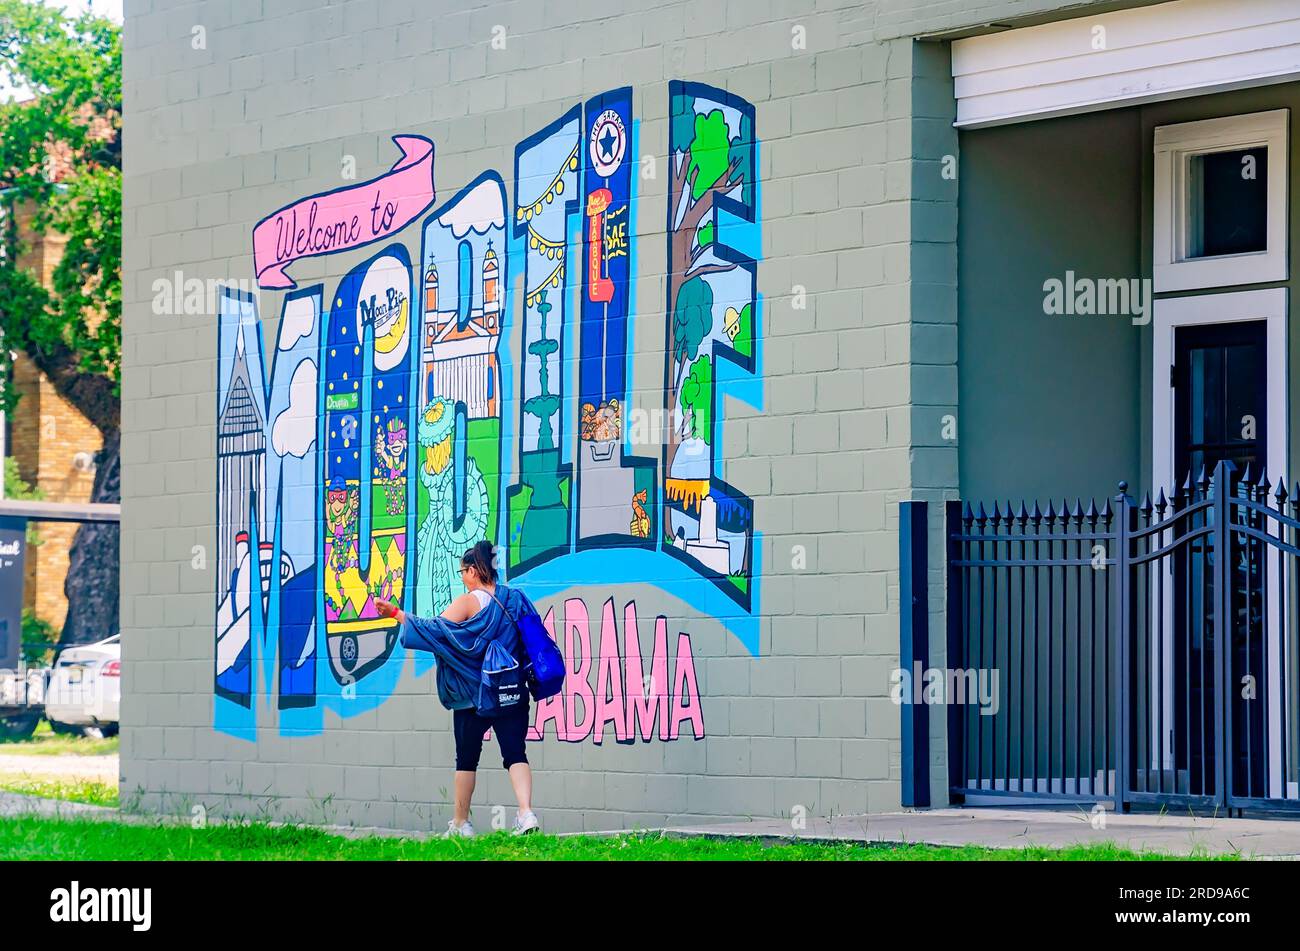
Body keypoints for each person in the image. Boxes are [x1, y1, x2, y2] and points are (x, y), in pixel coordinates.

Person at [376, 540, 541, 838]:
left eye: (463, 571)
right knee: (516, 753)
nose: (462, 577)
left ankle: (461, 823)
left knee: (466, 758)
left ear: (475, 571)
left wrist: (397, 614)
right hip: (510, 692)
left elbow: (435, 631)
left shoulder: (468, 601)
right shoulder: (515, 599)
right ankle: (526, 813)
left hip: (472, 696)